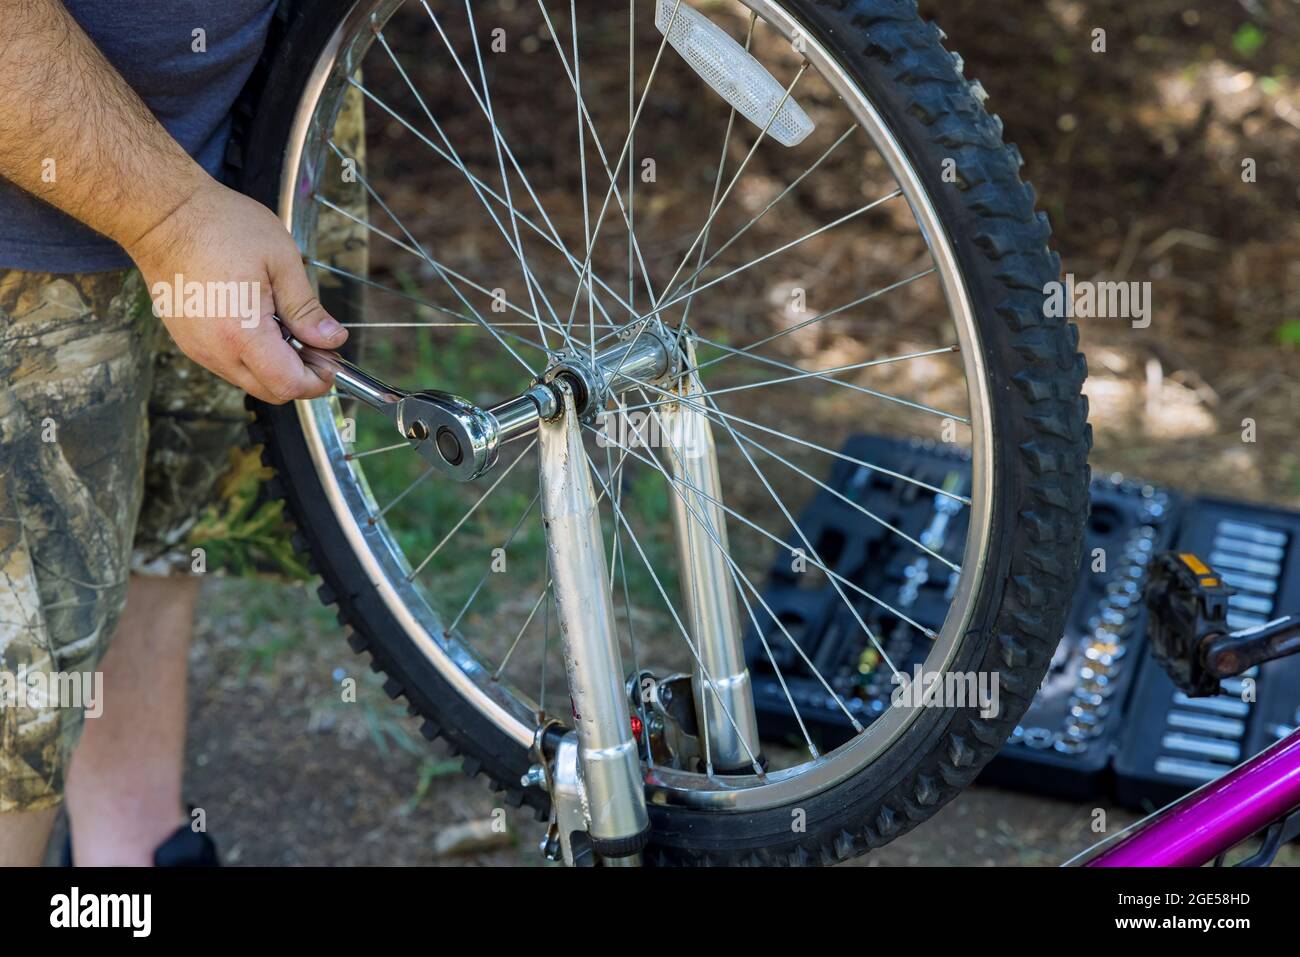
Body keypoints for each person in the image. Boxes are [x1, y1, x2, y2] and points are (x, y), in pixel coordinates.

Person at [0, 0, 348, 866]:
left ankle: (132, 849)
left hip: (254, 120)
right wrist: (170, 220)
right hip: (34, 185)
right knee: (17, 695)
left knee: (162, 517)